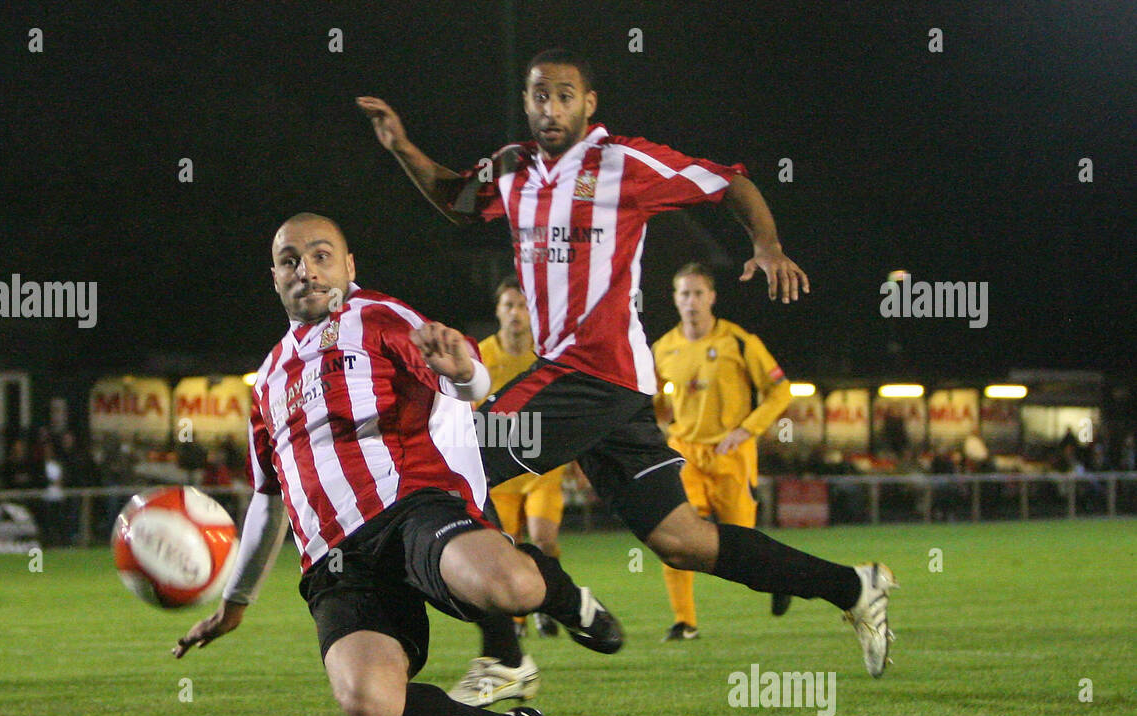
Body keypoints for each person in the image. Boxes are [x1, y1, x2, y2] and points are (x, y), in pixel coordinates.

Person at [358, 48, 899, 680]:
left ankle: (514, 646)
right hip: (601, 387)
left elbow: (729, 183)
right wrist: (402, 147)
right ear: (526, 101)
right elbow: (454, 198)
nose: (550, 108)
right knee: (683, 541)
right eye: (539, 95)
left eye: (564, 95)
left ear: (589, 104)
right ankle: (853, 586)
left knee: (456, 459)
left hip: (593, 371)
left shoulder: (622, 163)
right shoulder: (512, 167)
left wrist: (768, 246)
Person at [173, 213, 613, 716]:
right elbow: (267, 499)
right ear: (274, 278)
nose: (306, 270)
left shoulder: (378, 318)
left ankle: (566, 599)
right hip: (335, 562)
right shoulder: (268, 380)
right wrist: (235, 603)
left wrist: (467, 373)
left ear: (349, 266)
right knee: (371, 702)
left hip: (410, 511)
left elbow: (464, 379)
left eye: (321, 255)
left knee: (509, 586)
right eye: (290, 261)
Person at [446, 275, 570, 705]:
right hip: (495, 474)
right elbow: (462, 409)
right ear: (498, 312)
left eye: (523, 306)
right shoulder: (481, 356)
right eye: (509, 306)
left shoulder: (548, 355)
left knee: (545, 538)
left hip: (539, 469)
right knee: (505, 547)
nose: (516, 314)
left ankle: (549, 604)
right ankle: (518, 621)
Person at [652, 262, 793, 641]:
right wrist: (660, 421)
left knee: (741, 545)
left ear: (712, 297)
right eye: (684, 293)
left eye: (698, 293)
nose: (691, 301)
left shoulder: (739, 342)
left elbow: (780, 390)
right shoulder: (662, 349)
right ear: (675, 299)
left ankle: (780, 576)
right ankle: (684, 622)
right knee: (672, 536)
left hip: (732, 452)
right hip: (684, 454)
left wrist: (747, 429)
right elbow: (656, 400)